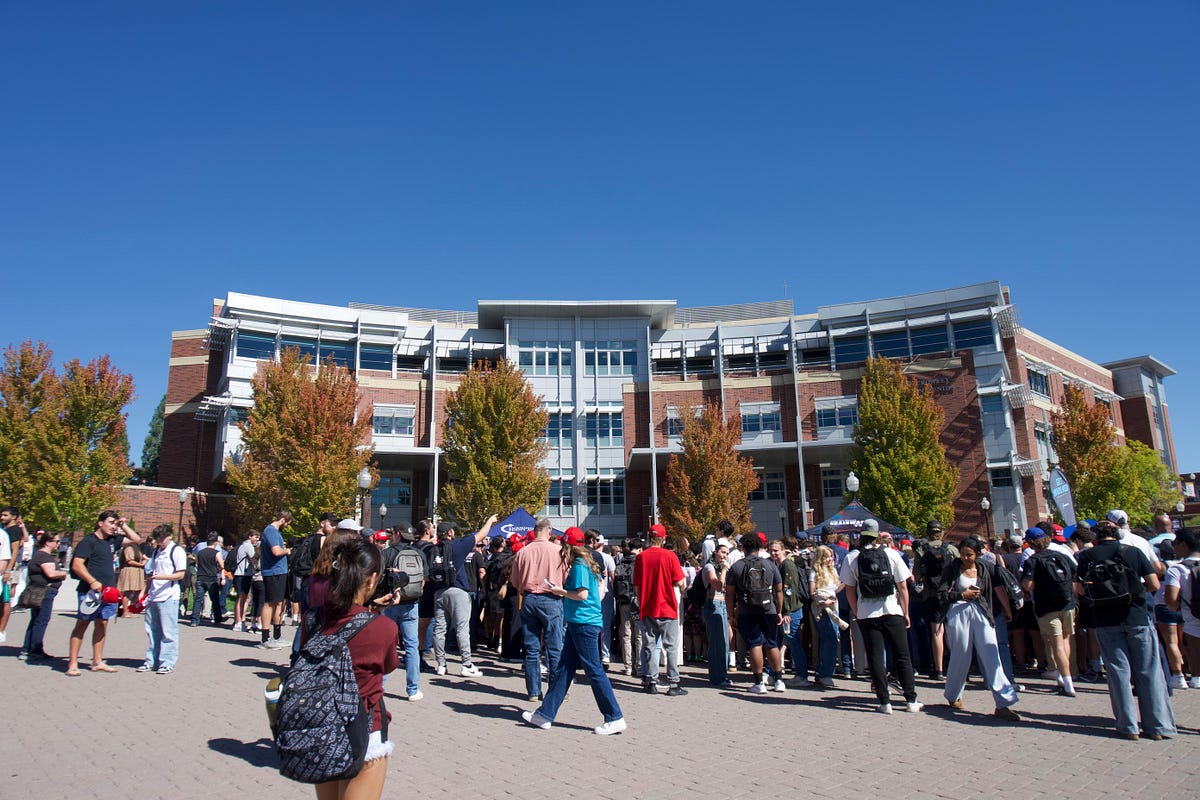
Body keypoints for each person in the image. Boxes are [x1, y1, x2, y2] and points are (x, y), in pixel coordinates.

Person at [303, 536, 399, 800]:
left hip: (320, 723)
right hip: (363, 724)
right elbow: (389, 664)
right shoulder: (383, 628)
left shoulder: (312, 619)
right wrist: (373, 614)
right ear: (371, 579)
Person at [1076, 519, 1175, 741]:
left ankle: (1127, 725)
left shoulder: (1086, 557)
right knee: (1148, 670)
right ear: (1117, 533)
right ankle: (1158, 726)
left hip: (1105, 617)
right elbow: (1154, 584)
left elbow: (1080, 588)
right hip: (1136, 614)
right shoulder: (1133, 551)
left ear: (1095, 536)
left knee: (1118, 672)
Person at [521, 528, 627, 735]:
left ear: (568, 545)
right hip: (579, 622)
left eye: (563, 545)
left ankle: (614, 716)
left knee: (593, 670)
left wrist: (560, 591)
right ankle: (545, 714)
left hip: (583, 622)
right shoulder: (586, 562)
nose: (560, 548)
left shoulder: (579, 565)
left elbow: (582, 594)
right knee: (564, 669)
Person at [839, 519, 922, 714]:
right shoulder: (891, 554)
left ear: (861, 535)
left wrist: (856, 611)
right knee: (902, 655)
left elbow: (849, 590)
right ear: (877, 535)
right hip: (891, 609)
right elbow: (903, 587)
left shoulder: (852, 557)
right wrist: (905, 611)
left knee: (875, 656)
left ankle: (884, 701)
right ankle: (911, 699)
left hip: (867, 613)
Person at [939, 536, 1020, 721]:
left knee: (992, 655)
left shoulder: (985, 568)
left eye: (969, 555)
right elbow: (942, 594)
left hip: (981, 612)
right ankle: (953, 695)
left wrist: (1006, 608)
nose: (966, 558)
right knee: (961, 654)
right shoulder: (952, 569)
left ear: (977, 554)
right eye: (963, 554)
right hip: (958, 613)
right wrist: (962, 594)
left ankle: (1004, 702)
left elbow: (1000, 585)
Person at [66, 511, 142, 676]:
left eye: (115, 523)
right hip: (89, 592)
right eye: (110, 523)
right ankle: (72, 663)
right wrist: (92, 581)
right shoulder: (88, 541)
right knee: (82, 624)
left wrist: (123, 525)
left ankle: (97, 661)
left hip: (108, 592)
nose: (113, 526)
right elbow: (77, 565)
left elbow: (136, 540)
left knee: (102, 624)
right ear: (100, 523)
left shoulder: (113, 541)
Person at [509, 517, 567, 701]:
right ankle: (555, 689)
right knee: (554, 646)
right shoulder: (559, 551)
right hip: (551, 599)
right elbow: (566, 578)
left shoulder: (523, 552)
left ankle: (533, 691)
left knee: (531, 647)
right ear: (549, 531)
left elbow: (515, 581)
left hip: (529, 598)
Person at [432, 514, 497, 677]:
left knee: (439, 629)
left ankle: (441, 664)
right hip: (458, 591)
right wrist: (489, 521)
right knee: (462, 628)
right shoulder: (457, 546)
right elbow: (480, 535)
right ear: (449, 533)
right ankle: (466, 664)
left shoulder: (434, 549)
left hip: (439, 591)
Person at [1019, 527, 1077, 697]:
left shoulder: (1033, 560)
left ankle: (1066, 682)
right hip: (1067, 603)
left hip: (1046, 606)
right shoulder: (1063, 555)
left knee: (1056, 643)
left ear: (1030, 543)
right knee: (1065, 640)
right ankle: (1065, 675)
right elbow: (1075, 575)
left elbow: (1027, 585)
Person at [727, 533, 785, 693]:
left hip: (747, 609)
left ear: (743, 548)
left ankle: (759, 682)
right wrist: (779, 610)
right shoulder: (770, 565)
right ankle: (779, 680)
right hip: (769, 609)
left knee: (754, 644)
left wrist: (731, 614)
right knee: (771, 643)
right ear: (759, 547)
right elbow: (779, 590)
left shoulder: (737, 567)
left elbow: (730, 593)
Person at [635, 523, 687, 696]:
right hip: (667, 606)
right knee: (671, 647)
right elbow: (681, 582)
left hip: (648, 606)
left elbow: (637, 585)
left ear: (649, 537)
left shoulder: (641, 557)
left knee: (649, 645)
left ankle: (651, 681)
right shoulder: (670, 556)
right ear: (663, 539)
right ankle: (673, 684)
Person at [378, 525, 428, 701]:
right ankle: (413, 689)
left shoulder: (387, 554)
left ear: (398, 535)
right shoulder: (420, 554)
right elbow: (423, 580)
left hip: (390, 602)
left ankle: (380, 686)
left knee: (386, 644)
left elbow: (379, 578)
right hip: (412, 603)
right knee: (412, 646)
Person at [139, 525, 188, 674]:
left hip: (169, 595)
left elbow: (180, 574)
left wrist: (162, 577)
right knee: (152, 630)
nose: (159, 542)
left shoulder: (176, 551)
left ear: (169, 536)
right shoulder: (156, 552)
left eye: (161, 538)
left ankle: (167, 662)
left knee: (169, 631)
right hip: (154, 595)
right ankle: (152, 660)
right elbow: (150, 573)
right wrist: (144, 592)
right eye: (157, 538)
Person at [912, 520, 957, 680]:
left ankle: (938, 670)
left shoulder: (921, 550)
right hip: (951, 594)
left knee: (936, 632)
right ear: (942, 532)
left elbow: (917, 575)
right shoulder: (951, 549)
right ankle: (958, 666)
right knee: (953, 631)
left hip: (931, 594)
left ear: (927, 533)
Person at [20, 530, 68, 661]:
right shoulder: (44, 556)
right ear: (48, 542)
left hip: (40, 590)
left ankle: (27, 649)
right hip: (44, 592)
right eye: (57, 541)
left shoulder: (42, 555)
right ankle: (35, 650)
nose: (59, 544)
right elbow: (51, 573)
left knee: (36, 620)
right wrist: (63, 574)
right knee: (41, 621)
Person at [1163, 528, 1200, 689]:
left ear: (1184, 545)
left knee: (1197, 674)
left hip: (1192, 622)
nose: (1174, 548)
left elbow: (1171, 599)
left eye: (1175, 544)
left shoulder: (1177, 569)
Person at [770, 537, 809, 687]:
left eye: (776, 550)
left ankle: (802, 675)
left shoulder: (788, 566)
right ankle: (773, 673)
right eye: (771, 550)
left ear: (783, 550)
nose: (773, 553)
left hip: (790, 611)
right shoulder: (778, 565)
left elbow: (789, 591)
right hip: (782, 611)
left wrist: (786, 612)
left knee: (794, 643)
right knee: (777, 641)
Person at [811, 544, 845, 689]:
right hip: (822, 609)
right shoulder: (815, 572)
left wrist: (844, 584)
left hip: (833, 607)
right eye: (827, 557)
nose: (831, 559)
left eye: (831, 556)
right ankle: (824, 673)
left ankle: (823, 672)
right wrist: (824, 600)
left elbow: (837, 588)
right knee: (829, 638)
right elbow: (812, 592)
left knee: (832, 639)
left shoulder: (833, 571)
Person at [259, 510, 293, 649]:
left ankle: (277, 635)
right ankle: (265, 638)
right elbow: (276, 551)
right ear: (283, 520)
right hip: (273, 572)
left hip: (279, 571)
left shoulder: (274, 532)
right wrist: (288, 550)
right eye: (287, 523)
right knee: (270, 603)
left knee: (279, 603)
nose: (287, 526)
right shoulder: (271, 531)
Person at [701, 542, 731, 686]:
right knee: (716, 643)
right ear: (715, 552)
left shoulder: (720, 567)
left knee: (724, 642)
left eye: (727, 553)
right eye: (722, 552)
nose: (725, 556)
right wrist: (725, 570)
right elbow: (718, 586)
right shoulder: (709, 567)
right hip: (713, 605)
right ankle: (716, 677)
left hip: (723, 605)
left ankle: (722, 675)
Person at [0, 505, 30, 644]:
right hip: (6, 566)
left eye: (5, 515)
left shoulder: (13, 531)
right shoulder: (6, 530)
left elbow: (15, 550)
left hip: (9, 566)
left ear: (13, 516)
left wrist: (9, 569)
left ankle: (2, 630)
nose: (2, 517)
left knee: (6, 598)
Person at [614, 538, 643, 676]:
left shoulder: (620, 563)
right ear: (639, 548)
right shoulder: (640, 562)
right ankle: (639, 664)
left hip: (623, 600)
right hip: (637, 601)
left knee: (626, 634)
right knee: (638, 634)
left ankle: (628, 666)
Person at [190, 533, 226, 626]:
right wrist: (219, 570)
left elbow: (197, 563)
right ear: (215, 543)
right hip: (211, 578)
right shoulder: (216, 553)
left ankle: (194, 620)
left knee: (198, 599)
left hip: (201, 577)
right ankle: (217, 618)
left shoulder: (200, 552)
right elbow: (222, 565)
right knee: (215, 599)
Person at [231, 530, 259, 632]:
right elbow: (254, 558)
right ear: (250, 536)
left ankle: (239, 620)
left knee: (243, 598)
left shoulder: (243, 545)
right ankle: (238, 622)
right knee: (241, 598)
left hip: (242, 574)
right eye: (256, 537)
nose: (257, 539)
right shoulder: (248, 546)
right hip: (243, 574)